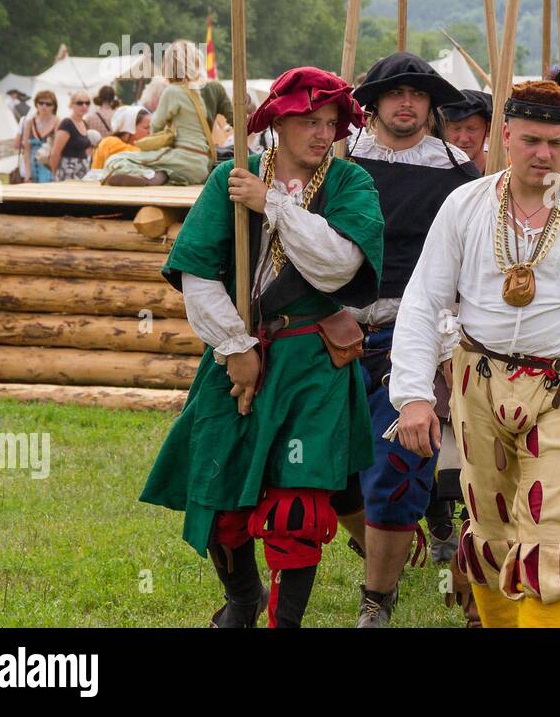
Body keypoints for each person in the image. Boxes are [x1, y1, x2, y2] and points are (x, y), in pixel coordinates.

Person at [388, 79, 560, 629]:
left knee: (550, 535)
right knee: (490, 529)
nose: (543, 154)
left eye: (557, 142)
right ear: (506, 136)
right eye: (531, 140)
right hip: (477, 382)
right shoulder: (464, 204)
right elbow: (424, 302)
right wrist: (412, 395)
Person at [139, 66, 384, 628]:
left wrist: (271, 202)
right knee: (223, 490)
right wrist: (236, 345)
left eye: (330, 122)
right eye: (307, 120)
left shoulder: (350, 184)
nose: (321, 133)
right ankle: (244, 600)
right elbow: (198, 272)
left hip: (312, 362)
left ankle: (285, 622)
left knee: (299, 501)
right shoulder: (231, 175)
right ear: (277, 120)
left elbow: (339, 264)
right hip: (237, 352)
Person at [344, 52, 479, 627]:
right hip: (334, 328)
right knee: (326, 473)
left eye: (418, 94)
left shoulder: (458, 174)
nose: (407, 103)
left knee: (396, 466)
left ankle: (378, 597)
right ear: (372, 104)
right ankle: (379, 545)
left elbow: (470, 268)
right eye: (395, 93)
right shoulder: (338, 165)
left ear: (430, 104)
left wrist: (451, 342)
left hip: (417, 332)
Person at [104, 40, 214, 186]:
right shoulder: (195, 93)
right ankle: (159, 176)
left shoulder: (172, 91)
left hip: (183, 158)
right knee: (160, 164)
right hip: (200, 164)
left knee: (115, 161)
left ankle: (147, 176)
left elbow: (155, 127)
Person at [440, 89, 492, 173]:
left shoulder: (505, 174)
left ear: (488, 129)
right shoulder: (432, 173)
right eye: (456, 129)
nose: (463, 139)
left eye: (472, 129)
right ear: (443, 129)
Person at [48, 92, 94, 181]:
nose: (84, 106)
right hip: (68, 170)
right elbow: (55, 152)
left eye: (87, 103)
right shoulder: (67, 123)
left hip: (82, 170)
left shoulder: (84, 123)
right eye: (80, 103)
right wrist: (54, 173)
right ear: (72, 105)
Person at [15, 90, 58, 184]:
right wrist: (28, 175)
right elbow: (26, 150)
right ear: (36, 104)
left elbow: (58, 150)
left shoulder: (57, 122)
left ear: (53, 106)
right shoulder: (29, 122)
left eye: (48, 104)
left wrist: (55, 173)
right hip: (32, 167)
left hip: (50, 168)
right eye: (41, 103)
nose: (44, 106)